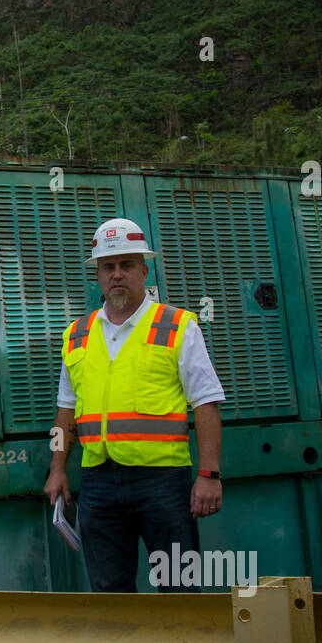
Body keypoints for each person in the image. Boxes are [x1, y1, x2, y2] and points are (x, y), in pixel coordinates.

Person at [43, 218, 225, 593]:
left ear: (144, 270)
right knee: (110, 594)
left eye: (127, 265)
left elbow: (206, 404)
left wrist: (209, 475)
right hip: (97, 483)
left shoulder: (176, 325)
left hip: (163, 482)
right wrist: (57, 469)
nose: (117, 275)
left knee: (180, 589)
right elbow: (65, 413)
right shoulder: (77, 334)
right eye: (108, 267)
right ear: (97, 274)